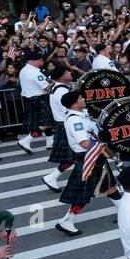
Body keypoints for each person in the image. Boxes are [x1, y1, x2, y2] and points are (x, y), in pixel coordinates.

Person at [53, 89, 120, 237]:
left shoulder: (83, 115)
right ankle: (66, 221)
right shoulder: (74, 120)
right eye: (81, 98)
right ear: (75, 104)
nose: (84, 99)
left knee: (109, 186)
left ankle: (123, 212)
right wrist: (104, 150)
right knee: (83, 194)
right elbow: (84, 143)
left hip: (95, 156)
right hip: (88, 158)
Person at [42, 63, 76, 192]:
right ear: (62, 76)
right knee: (76, 156)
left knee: (78, 156)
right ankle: (51, 177)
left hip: (64, 125)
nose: (70, 74)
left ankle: (51, 177)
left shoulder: (59, 87)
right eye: (68, 72)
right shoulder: (61, 91)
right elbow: (69, 109)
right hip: (67, 126)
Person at [16, 49, 53, 154]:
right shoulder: (35, 73)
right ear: (32, 61)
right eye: (40, 61)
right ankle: (26, 140)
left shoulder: (24, 70)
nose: (42, 63)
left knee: (45, 121)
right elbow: (47, 88)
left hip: (31, 99)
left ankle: (50, 141)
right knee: (46, 122)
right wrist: (53, 82)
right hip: (39, 99)